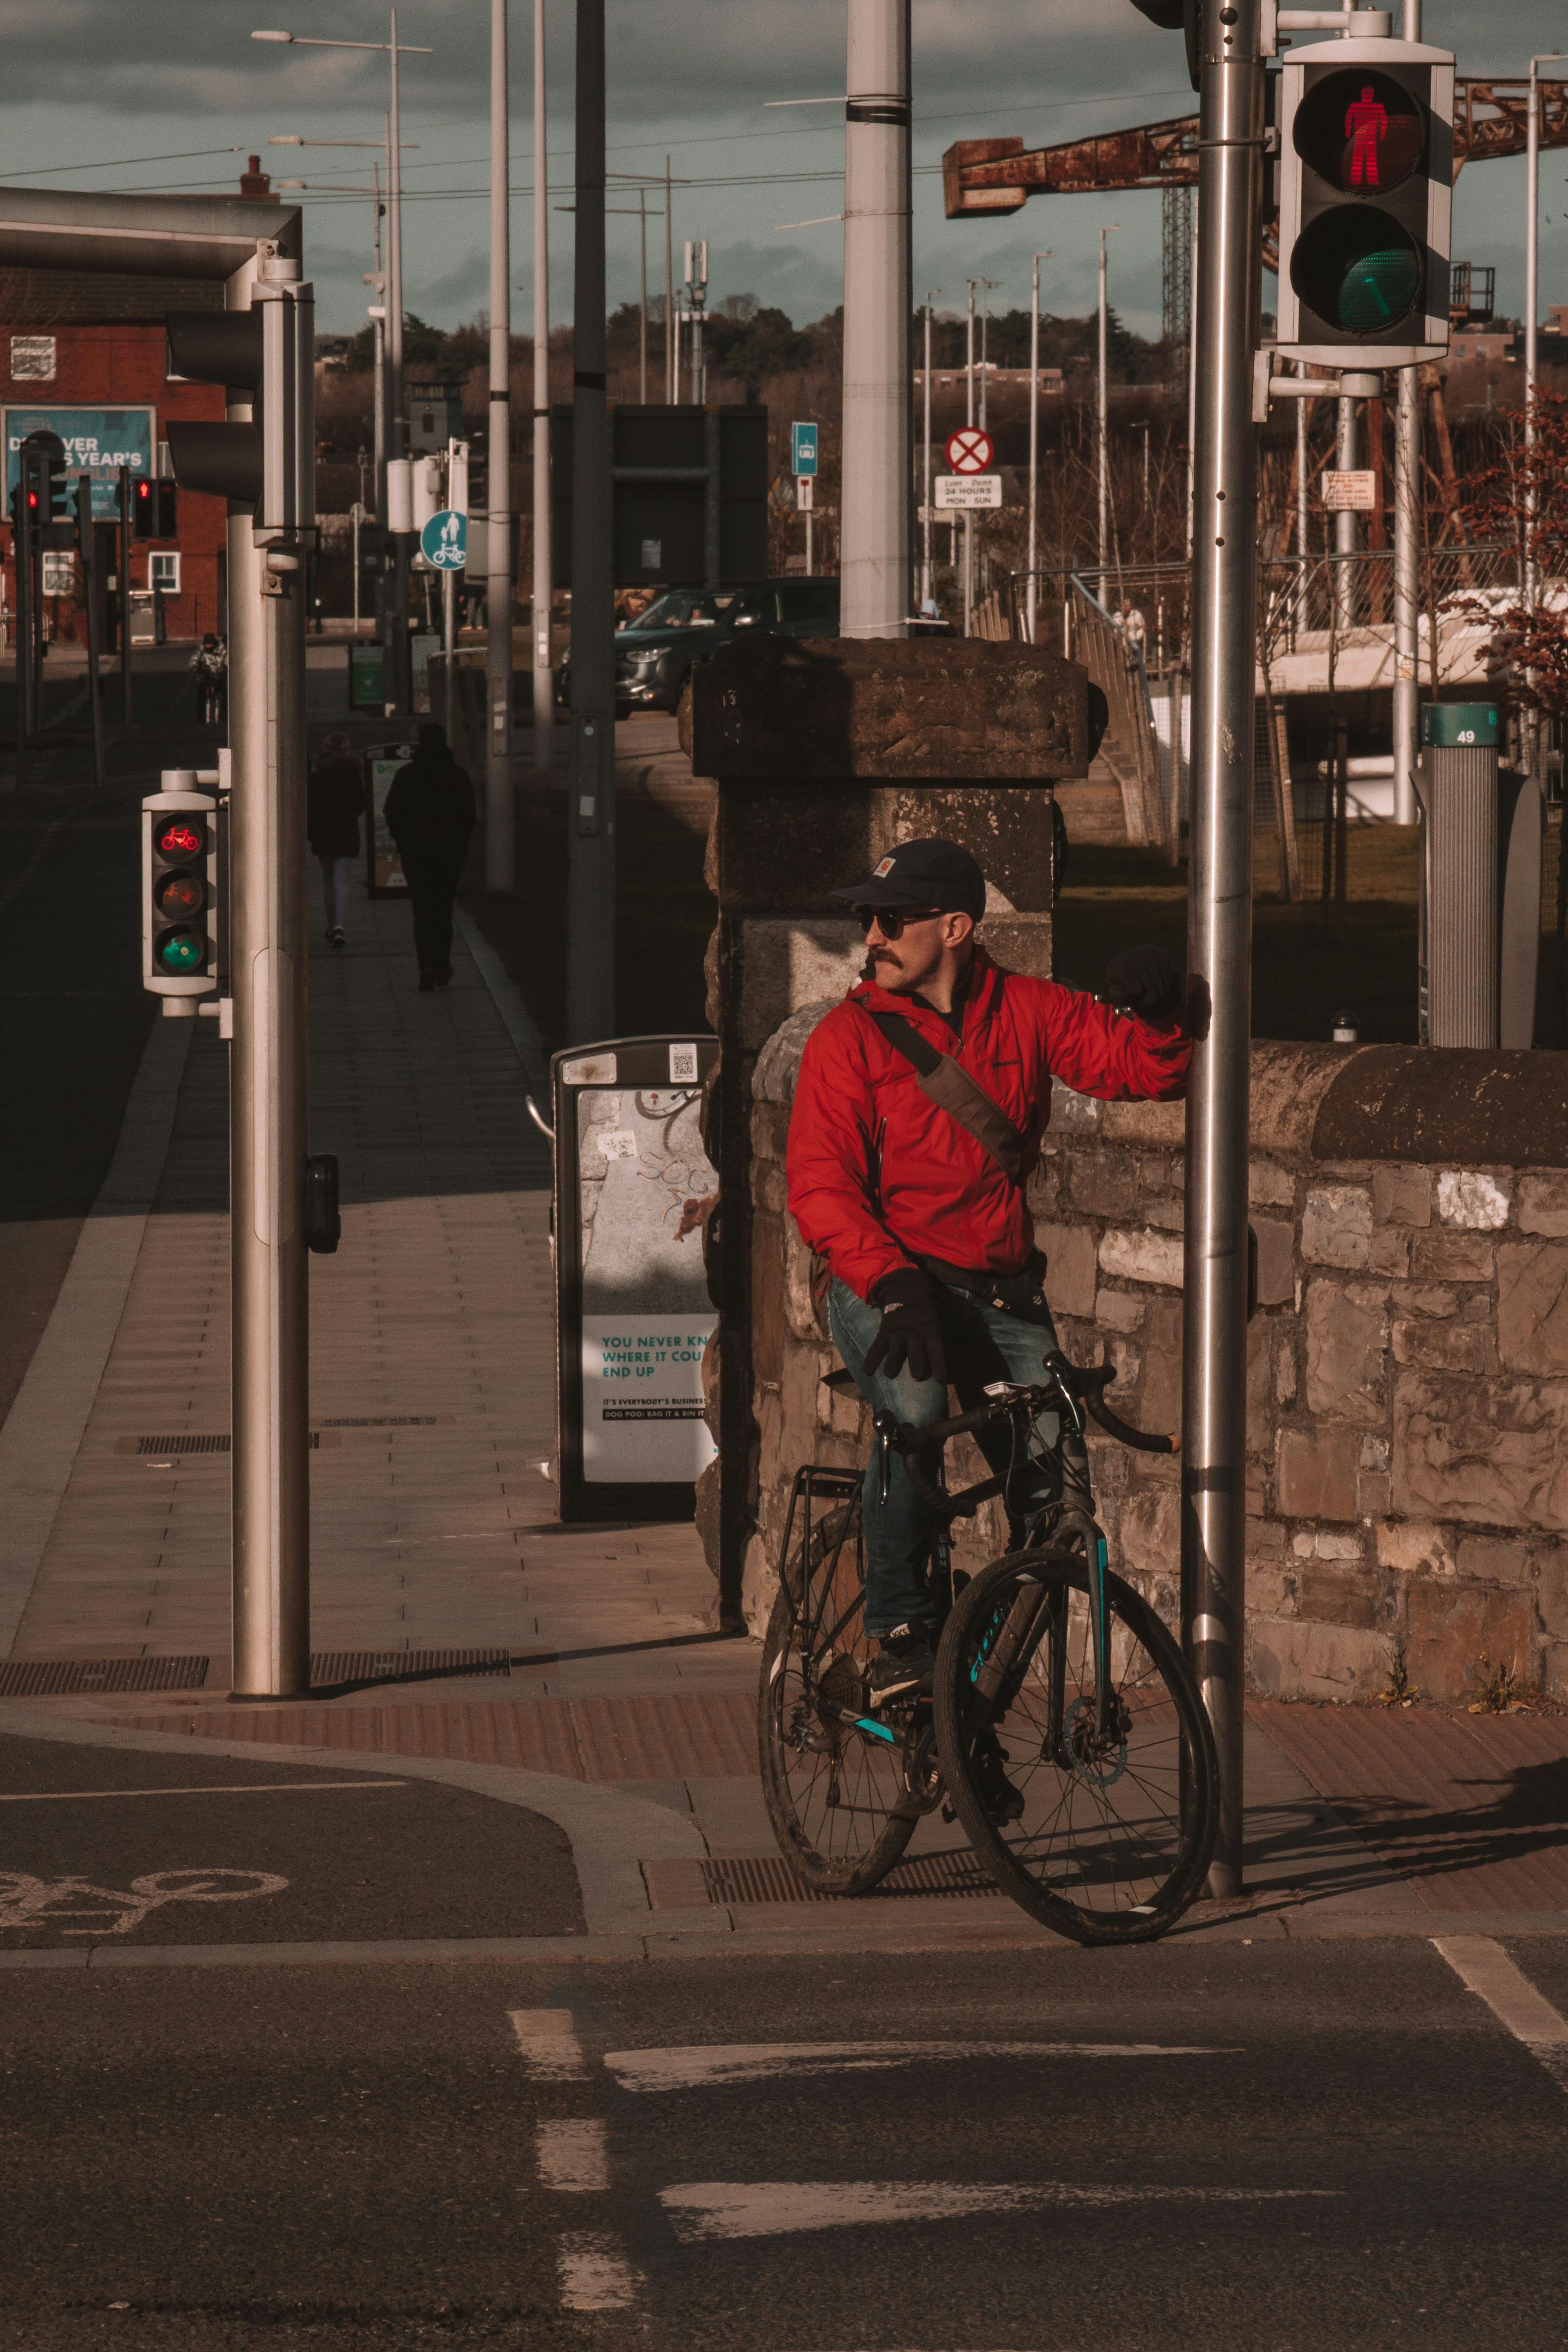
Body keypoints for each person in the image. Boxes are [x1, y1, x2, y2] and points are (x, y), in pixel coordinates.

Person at [786, 836, 1189, 1707]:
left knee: (1055, 1495)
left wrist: (1164, 1013)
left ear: (955, 926)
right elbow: (820, 1188)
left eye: (890, 920)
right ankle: (897, 1632)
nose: (871, 937)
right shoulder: (846, 1038)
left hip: (998, 1286)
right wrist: (892, 1285)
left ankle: (974, 1701)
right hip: (884, 1282)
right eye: (868, 920)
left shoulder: (1028, 1010)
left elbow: (1138, 1070)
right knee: (917, 1409)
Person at [382, 720, 476, 991]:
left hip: (416, 854)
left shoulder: (407, 775)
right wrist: (459, 841)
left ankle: (426, 968)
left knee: (422, 911)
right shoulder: (457, 776)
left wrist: (403, 838)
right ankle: (442, 964)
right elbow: (469, 815)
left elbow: (392, 810)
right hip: (449, 854)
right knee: (443, 910)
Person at [306, 731, 363, 949]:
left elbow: (313, 808)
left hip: (324, 834)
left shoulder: (318, 776)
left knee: (328, 880)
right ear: (348, 750)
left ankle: (332, 926)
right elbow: (360, 805)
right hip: (347, 834)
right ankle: (339, 925)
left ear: (325, 750)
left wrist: (310, 832)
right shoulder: (354, 776)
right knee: (341, 879)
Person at [190, 633, 226, 728]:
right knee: (202, 698)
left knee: (222, 697)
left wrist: (223, 670)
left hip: (218, 676)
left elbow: (227, 660)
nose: (208, 648)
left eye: (210, 646)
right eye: (207, 646)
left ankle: (221, 718)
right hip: (204, 678)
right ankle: (201, 720)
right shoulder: (201, 649)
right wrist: (198, 668)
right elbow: (194, 661)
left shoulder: (222, 649)